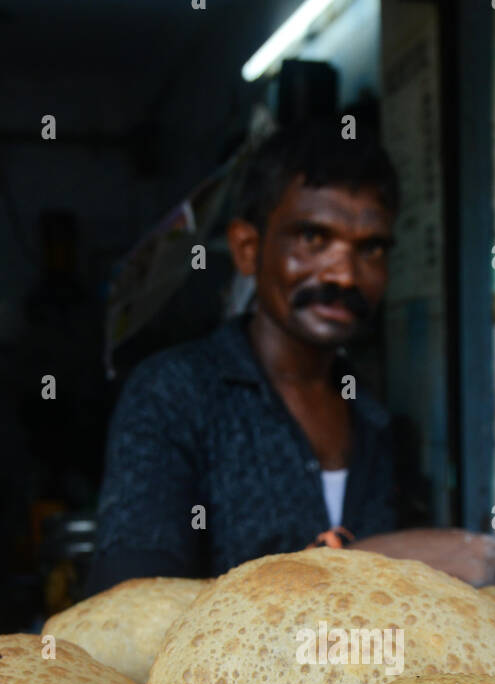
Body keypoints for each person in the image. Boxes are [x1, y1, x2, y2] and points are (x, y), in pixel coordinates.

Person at [88, 120, 407, 590]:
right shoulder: (174, 394)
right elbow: (132, 605)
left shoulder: (376, 417)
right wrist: (364, 559)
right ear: (247, 248)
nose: (344, 275)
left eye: (371, 248)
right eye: (313, 238)